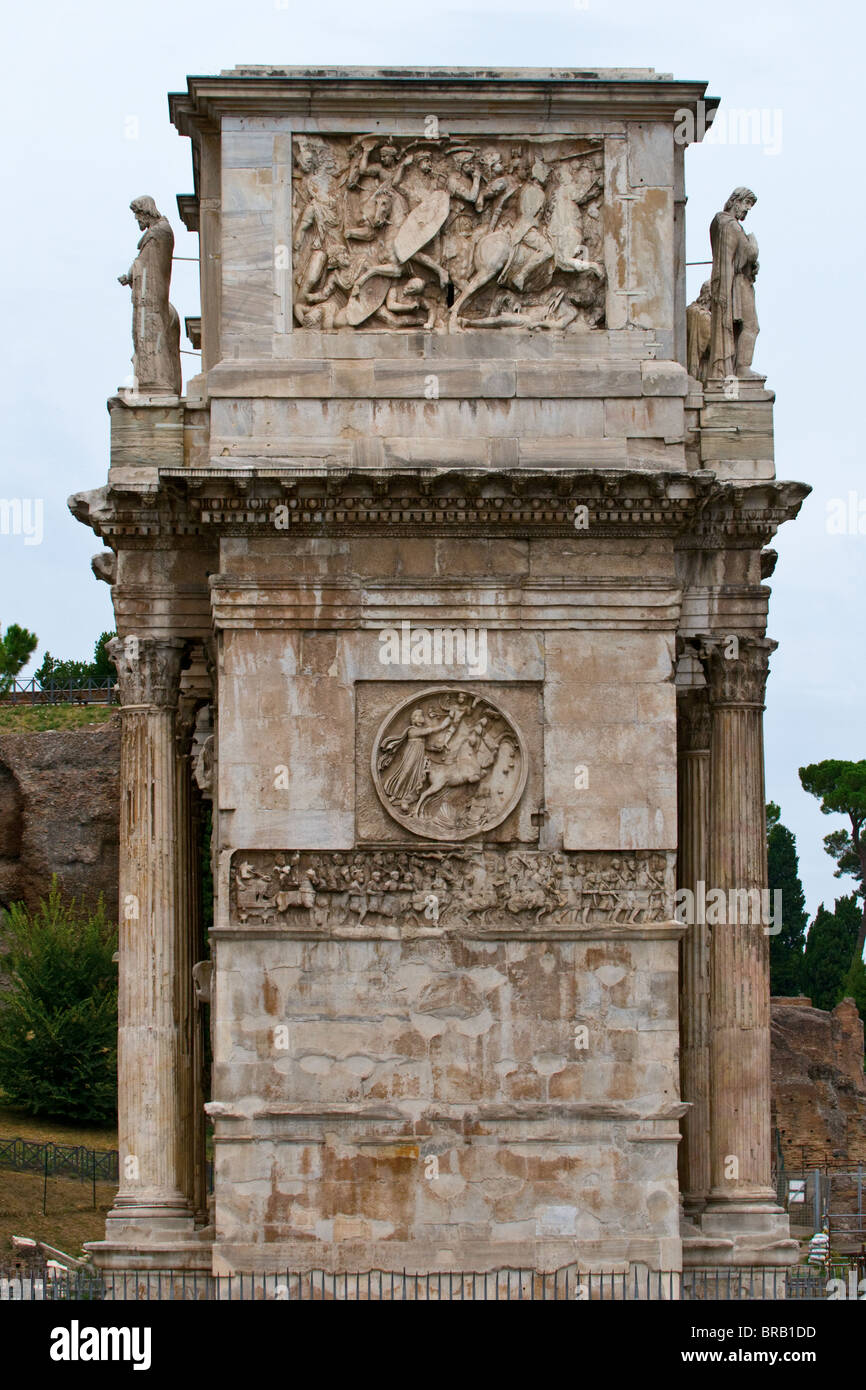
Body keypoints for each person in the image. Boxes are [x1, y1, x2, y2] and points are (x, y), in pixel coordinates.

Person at [118, 196, 181, 394]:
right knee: (143, 332)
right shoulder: (155, 234)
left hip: (152, 294)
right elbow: (143, 261)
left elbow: (148, 264)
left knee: (150, 330)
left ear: (145, 213)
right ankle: (147, 376)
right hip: (146, 292)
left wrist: (134, 271)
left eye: (138, 215)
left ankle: (154, 378)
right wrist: (130, 275)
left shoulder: (159, 233)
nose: (137, 220)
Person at [708, 187, 760, 379]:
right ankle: (742, 368)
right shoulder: (728, 224)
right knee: (751, 326)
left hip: (740, 281)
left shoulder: (728, 224)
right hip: (735, 284)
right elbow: (726, 261)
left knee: (748, 326)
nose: (747, 209)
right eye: (746, 204)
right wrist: (723, 292)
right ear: (735, 201)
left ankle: (741, 367)